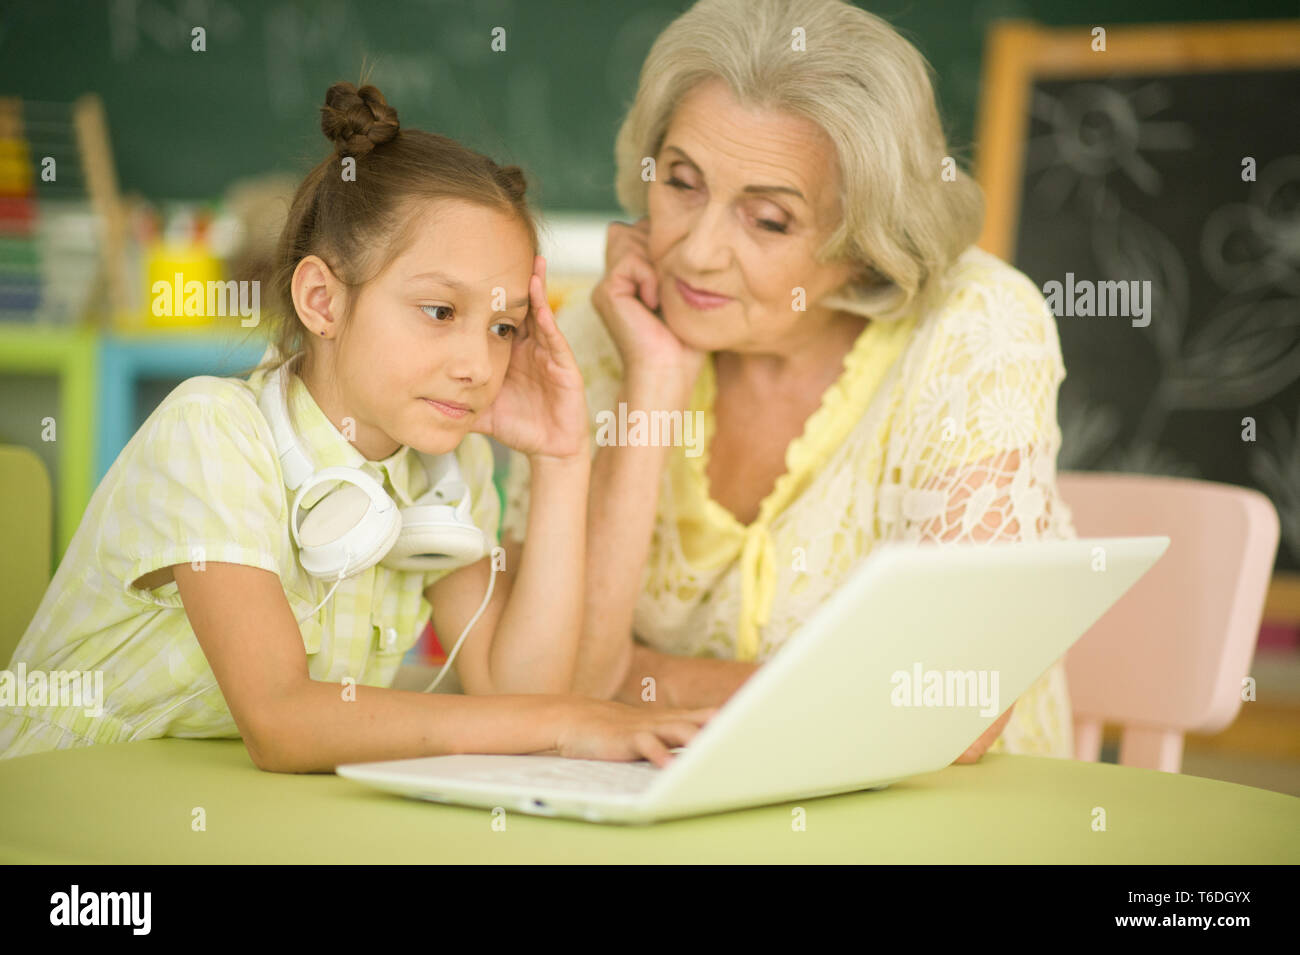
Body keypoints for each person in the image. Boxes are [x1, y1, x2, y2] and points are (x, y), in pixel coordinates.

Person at [0, 82, 713, 771]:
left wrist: (563, 459)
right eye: (440, 312)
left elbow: (515, 687)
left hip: (209, 812)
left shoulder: (444, 467)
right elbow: (282, 721)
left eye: (504, 326)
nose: (478, 362)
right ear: (322, 300)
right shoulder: (213, 433)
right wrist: (564, 722)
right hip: (57, 795)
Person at [503, 0, 1076, 762]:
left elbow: (952, 708)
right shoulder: (600, 332)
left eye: (768, 220)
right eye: (681, 183)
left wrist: (645, 680)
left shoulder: (977, 326)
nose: (696, 252)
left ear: (869, 244)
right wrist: (655, 385)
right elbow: (547, 698)